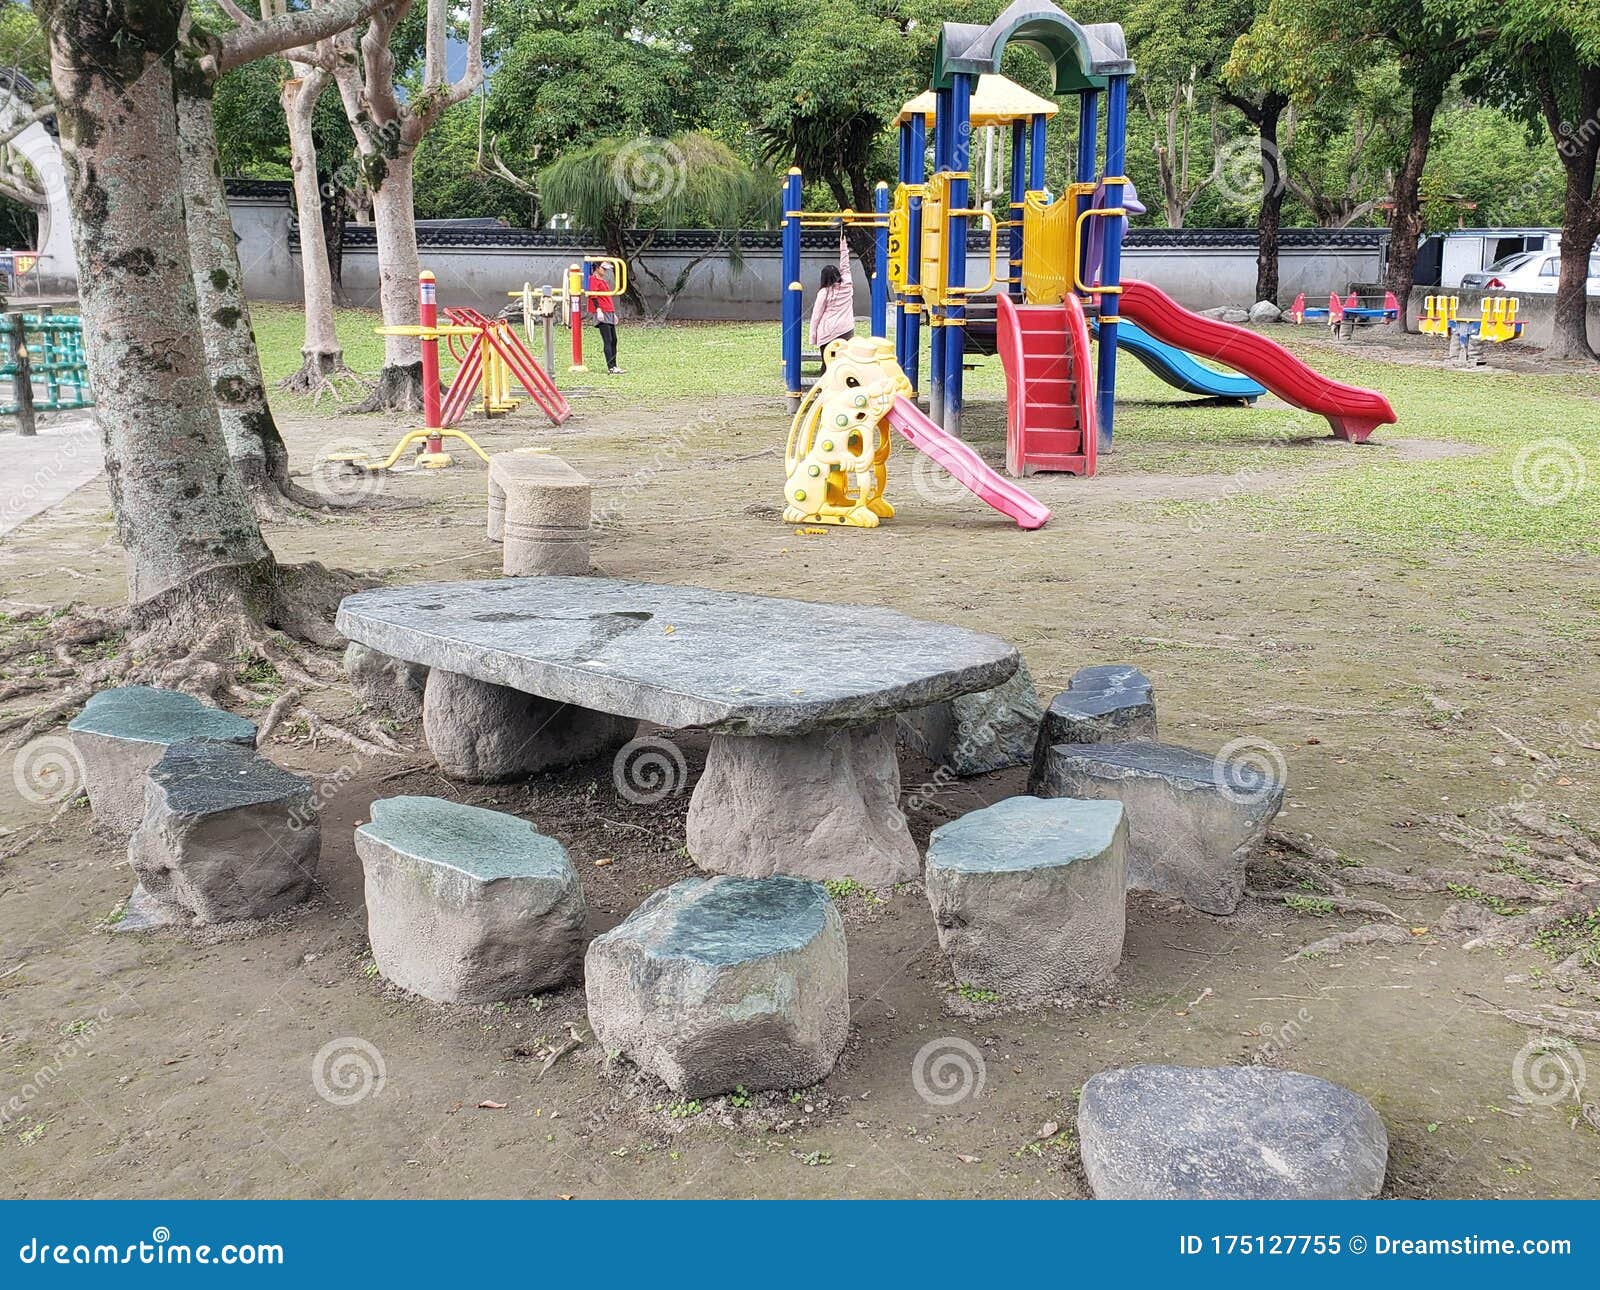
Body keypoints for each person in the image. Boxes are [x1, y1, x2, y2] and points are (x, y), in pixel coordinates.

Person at [808, 231, 855, 368]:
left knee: (827, 364)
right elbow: (845, 264)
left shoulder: (824, 293)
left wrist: (813, 336)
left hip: (827, 332)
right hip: (846, 330)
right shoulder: (847, 284)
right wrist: (843, 242)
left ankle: (825, 387)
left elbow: (816, 315)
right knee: (843, 364)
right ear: (838, 275)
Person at [586, 261, 623, 374]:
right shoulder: (593, 279)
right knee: (608, 340)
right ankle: (611, 367)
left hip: (608, 311)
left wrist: (613, 313)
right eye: (603, 268)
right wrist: (598, 310)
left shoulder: (602, 281)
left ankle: (614, 365)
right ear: (597, 268)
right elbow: (593, 295)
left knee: (614, 340)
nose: (605, 271)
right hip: (601, 311)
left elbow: (607, 298)